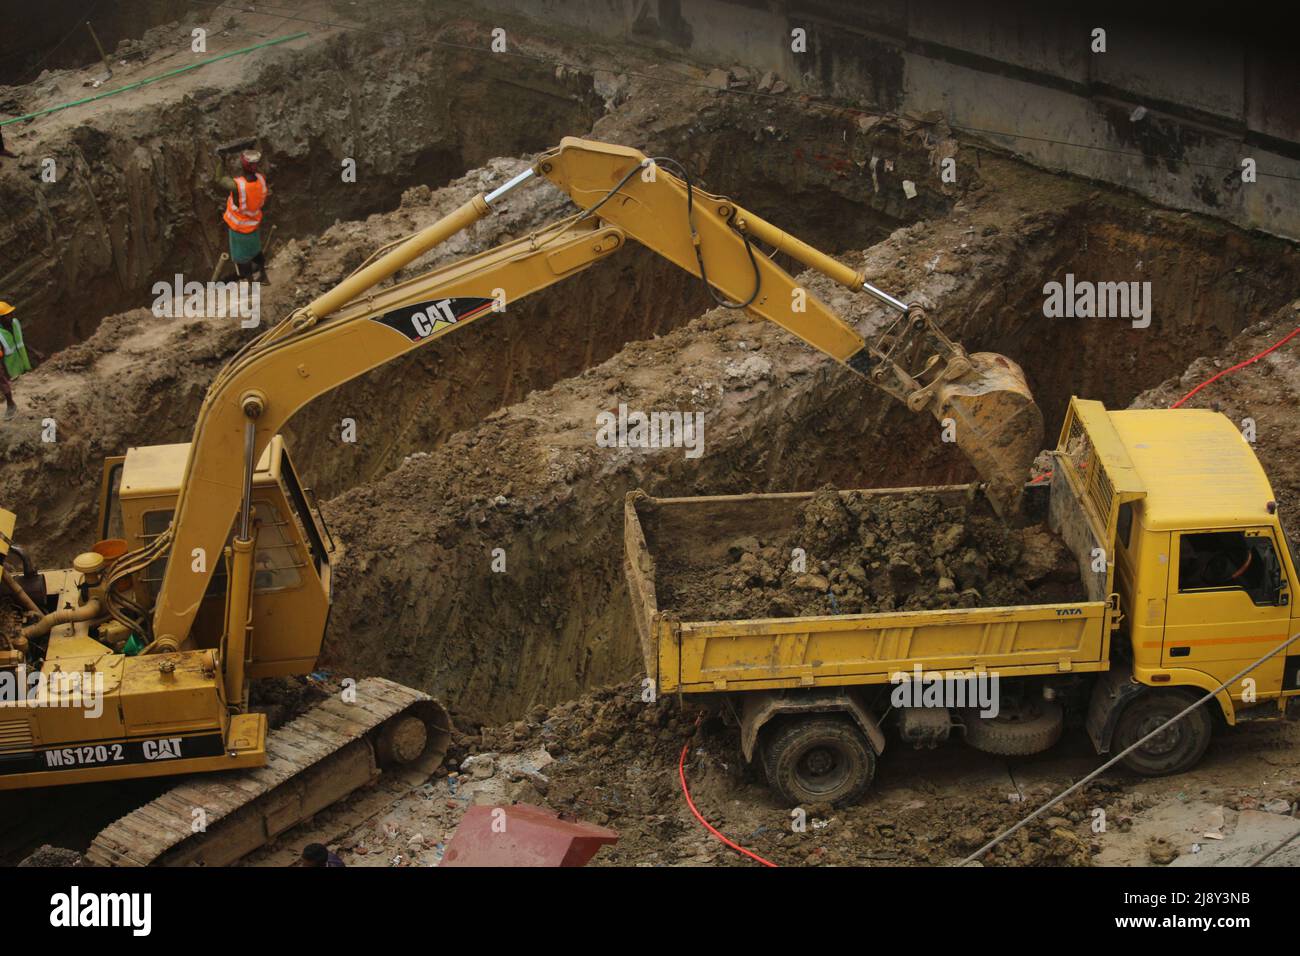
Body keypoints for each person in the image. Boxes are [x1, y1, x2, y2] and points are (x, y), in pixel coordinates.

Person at [217, 149, 271, 284]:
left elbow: (219, 179)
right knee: (256, 251)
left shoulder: (238, 186)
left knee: (242, 259)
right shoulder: (261, 179)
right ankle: (263, 276)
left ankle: (251, 284)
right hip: (253, 224)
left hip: (239, 229)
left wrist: (221, 160)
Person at [0, 302, 42, 419]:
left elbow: (20, 341)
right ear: (1, 319)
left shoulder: (13, 323)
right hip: (12, 374)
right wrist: (6, 380)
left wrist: (34, 352)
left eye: (11, 313)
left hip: (23, 365)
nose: (12, 316)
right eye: (8, 314)